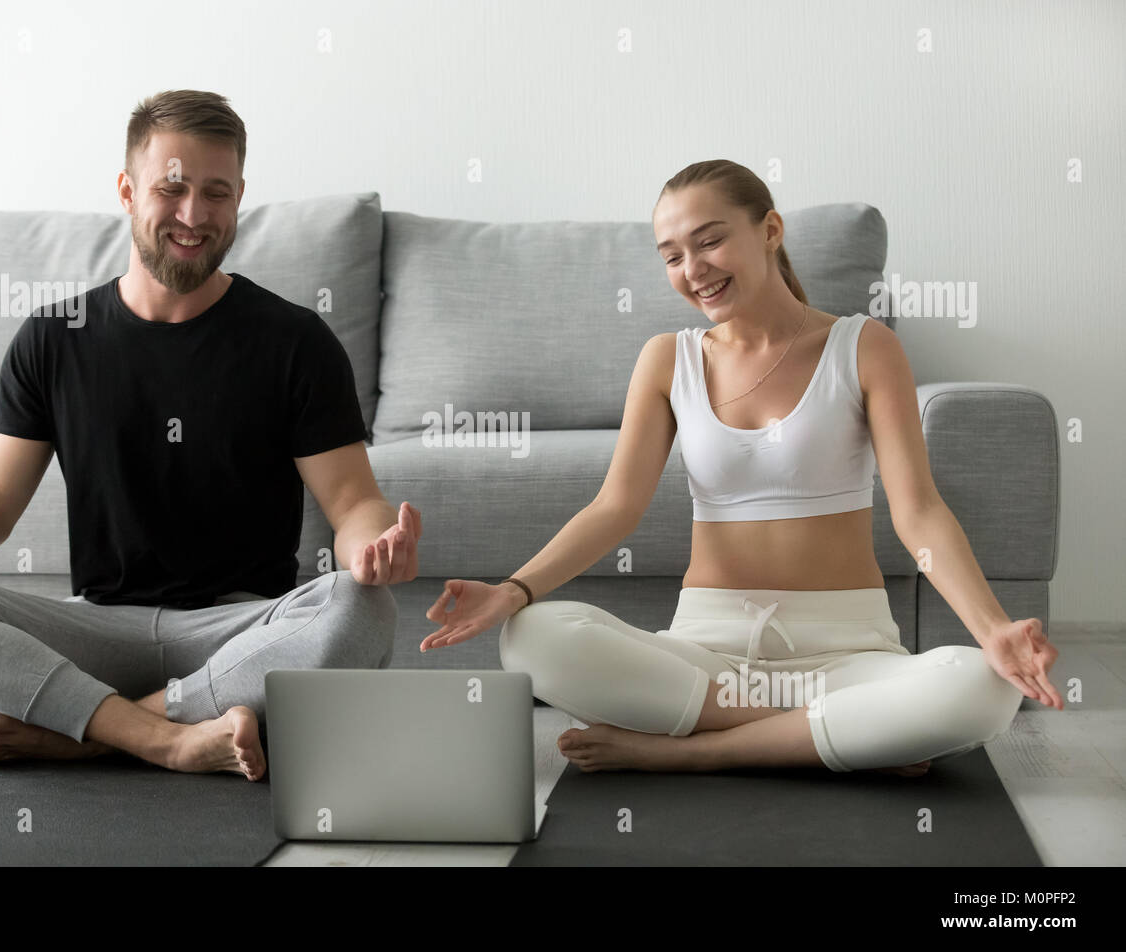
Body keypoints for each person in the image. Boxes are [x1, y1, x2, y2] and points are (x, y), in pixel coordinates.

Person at [0, 90, 420, 783]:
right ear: (127, 190)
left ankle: (90, 735)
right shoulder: (52, 339)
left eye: (216, 193)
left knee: (363, 608)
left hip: (240, 631)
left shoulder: (295, 341)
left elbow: (353, 505)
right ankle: (167, 736)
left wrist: (374, 547)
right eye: (172, 189)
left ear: (239, 199)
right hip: (96, 631)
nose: (194, 216)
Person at [421, 159, 1061, 776]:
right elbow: (614, 508)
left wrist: (995, 629)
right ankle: (827, 736)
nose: (693, 270)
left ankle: (693, 751)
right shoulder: (666, 359)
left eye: (709, 242)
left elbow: (918, 509)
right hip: (707, 654)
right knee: (531, 639)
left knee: (983, 688)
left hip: (848, 650)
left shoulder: (863, 346)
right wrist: (513, 591)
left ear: (771, 231)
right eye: (672, 256)